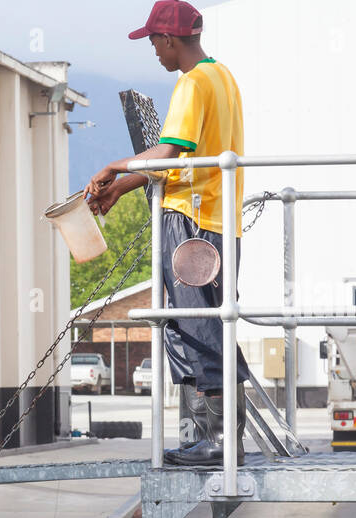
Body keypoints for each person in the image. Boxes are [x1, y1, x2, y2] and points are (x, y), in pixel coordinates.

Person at [86, 0, 250, 467]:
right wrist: (121, 189)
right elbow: (178, 158)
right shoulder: (223, 77)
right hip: (218, 220)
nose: (154, 51)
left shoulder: (192, 83)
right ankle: (216, 437)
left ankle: (218, 439)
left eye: (155, 42)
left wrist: (114, 167)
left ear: (171, 40)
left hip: (193, 220)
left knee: (195, 326)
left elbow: (171, 150)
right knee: (205, 321)